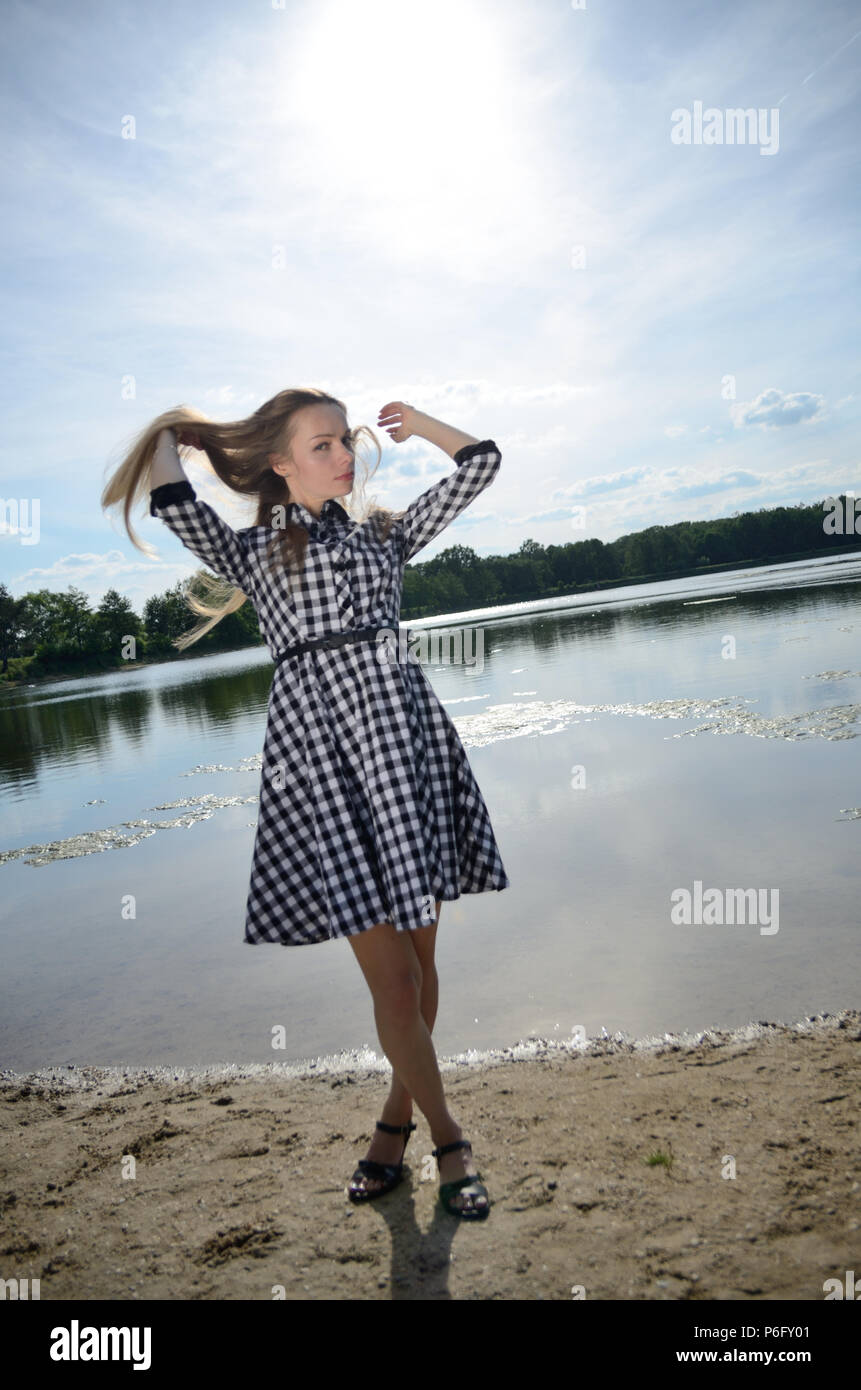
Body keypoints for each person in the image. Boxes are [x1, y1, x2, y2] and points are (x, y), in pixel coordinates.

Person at [101, 389, 510, 1218]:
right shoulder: (250, 553)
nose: (344, 456)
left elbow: (483, 464)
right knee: (391, 978)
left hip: (405, 746)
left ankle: (389, 1130)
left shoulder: (385, 536)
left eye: (344, 442)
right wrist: (177, 437)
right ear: (279, 463)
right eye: (321, 445)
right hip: (320, 760)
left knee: (422, 966)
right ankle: (449, 1138)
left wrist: (421, 423)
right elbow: (167, 487)